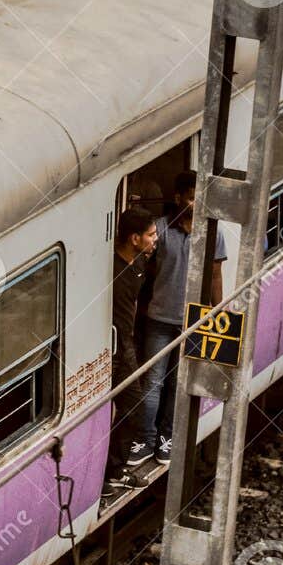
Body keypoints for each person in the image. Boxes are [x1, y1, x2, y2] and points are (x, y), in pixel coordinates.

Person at [141, 171, 227, 465]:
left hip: (195, 321)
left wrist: (219, 314)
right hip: (160, 319)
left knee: (176, 383)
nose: (197, 203)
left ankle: (164, 439)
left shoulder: (210, 232)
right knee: (155, 384)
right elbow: (147, 271)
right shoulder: (161, 230)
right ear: (178, 198)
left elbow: (216, 275)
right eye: (191, 197)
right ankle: (149, 440)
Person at [103, 208, 160, 496]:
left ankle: (113, 469)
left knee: (131, 406)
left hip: (125, 343)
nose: (156, 239)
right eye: (151, 235)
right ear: (135, 238)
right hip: (115, 347)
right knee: (132, 404)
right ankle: (110, 472)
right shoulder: (113, 271)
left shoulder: (138, 264)